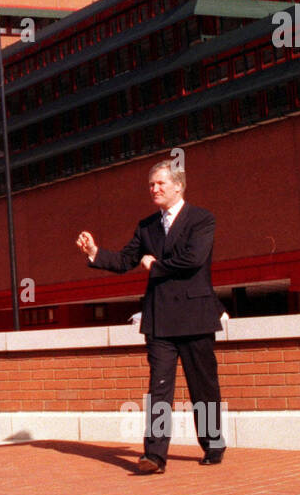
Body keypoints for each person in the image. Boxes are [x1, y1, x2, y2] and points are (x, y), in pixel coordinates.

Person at [76, 160, 225, 474]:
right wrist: (94, 252)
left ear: (178, 186)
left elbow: (193, 259)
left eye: (160, 184)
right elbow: (125, 259)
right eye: (151, 185)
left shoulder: (202, 219)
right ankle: (154, 456)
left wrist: (154, 265)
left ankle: (213, 445)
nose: (154, 190)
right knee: (159, 388)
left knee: (203, 386)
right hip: (159, 319)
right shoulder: (146, 226)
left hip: (196, 316)